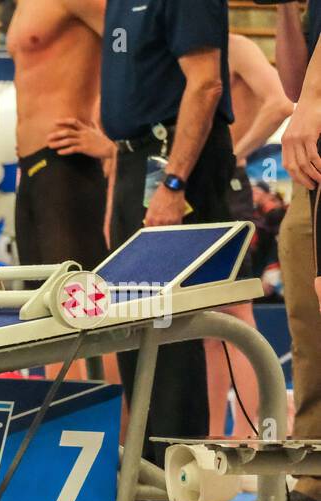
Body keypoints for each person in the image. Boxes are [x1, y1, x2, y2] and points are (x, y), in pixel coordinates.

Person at [102, 0, 234, 471]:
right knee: (130, 320)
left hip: (173, 159)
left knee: (170, 321)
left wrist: (173, 183)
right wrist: (116, 192)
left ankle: (178, 472)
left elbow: (206, 83)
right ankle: (146, 465)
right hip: (135, 158)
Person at [205, 32, 294, 438]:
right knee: (204, 323)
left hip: (226, 183)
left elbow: (279, 103)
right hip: (201, 183)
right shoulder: (189, 50)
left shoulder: (235, 46)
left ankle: (246, 434)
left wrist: (236, 152)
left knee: (237, 313)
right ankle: (212, 437)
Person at [7, 0, 108, 275]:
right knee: (35, 300)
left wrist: (113, 140)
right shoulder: (23, 5)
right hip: (30, 167)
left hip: (66, 163)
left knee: (74, 298)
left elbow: (135, 49)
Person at [278, 0, 321, 501]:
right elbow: (292, 80)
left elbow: (300, 99)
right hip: (310, 180)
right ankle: (312, 486)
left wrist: (311, 104)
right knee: (308, 336)